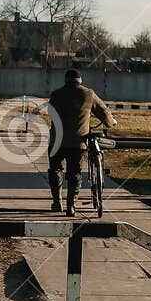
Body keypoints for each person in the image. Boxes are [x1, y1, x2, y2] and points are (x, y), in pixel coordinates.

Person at [46, 68, 115, 213]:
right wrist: (111, 122)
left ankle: (57, 202)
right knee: (75, 173)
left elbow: (50, 113)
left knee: (55, 170)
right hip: (78, 142)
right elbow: (103, 111)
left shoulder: (56, 94)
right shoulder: (88, 94)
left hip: (56, 142)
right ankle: (71, 206)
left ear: (65, 80)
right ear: (80, 80)